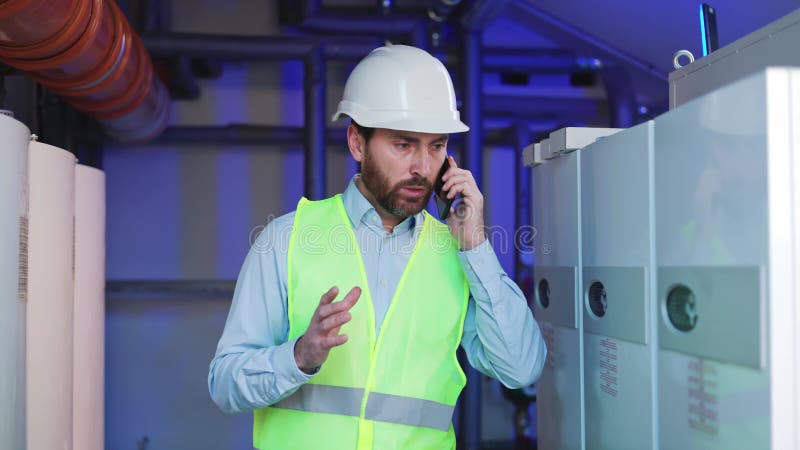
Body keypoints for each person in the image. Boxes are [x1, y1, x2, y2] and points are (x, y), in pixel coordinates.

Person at [209, 44, 547, 450]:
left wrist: (474, 245)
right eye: (403, 145)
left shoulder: (459, 255)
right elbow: (225, 385)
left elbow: (521, 368)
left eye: (436, 146)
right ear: (357, 143)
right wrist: (299, 357)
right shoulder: (286, 240)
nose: (423, 167)